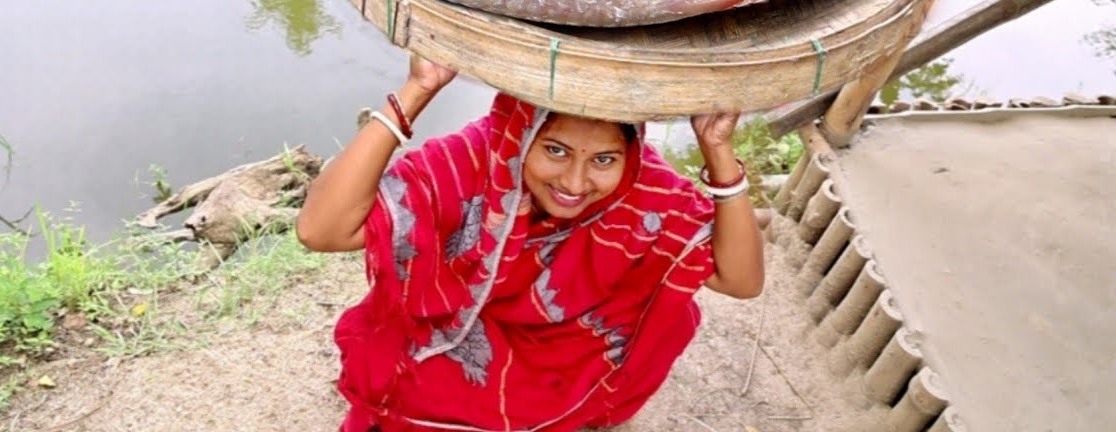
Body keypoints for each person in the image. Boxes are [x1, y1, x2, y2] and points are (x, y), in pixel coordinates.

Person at [297, 55, 766, 432]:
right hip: (465, 337)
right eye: (555, 151)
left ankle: (579, 409)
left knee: (668, 314)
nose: (575, 182)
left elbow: (741, 281)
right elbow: (321, 230)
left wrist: (718, 151)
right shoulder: (473, 161)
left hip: (571, 359)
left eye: (603, 159)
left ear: (630, 153)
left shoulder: (647, 191)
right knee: (411, 383)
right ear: (520, 136)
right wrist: (417, 90)